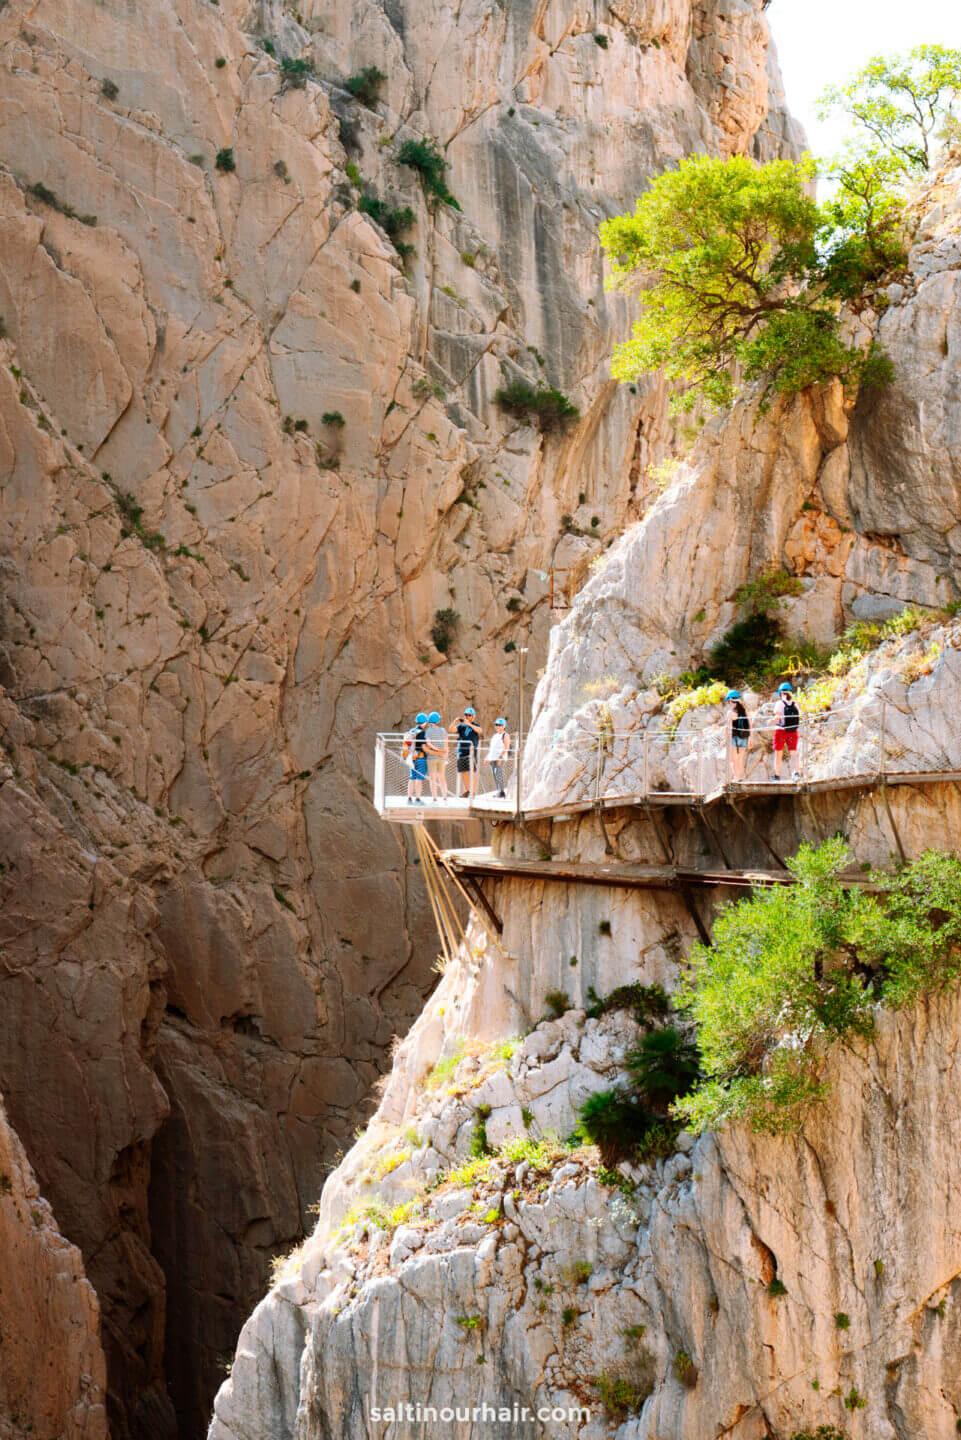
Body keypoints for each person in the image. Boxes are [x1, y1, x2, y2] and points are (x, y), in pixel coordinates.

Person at [449, 706, 482, 797]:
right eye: (466, 715)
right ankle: (468, 791)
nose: (467, 717)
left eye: (469, 715)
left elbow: (480, 731)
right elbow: (451, 729)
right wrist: (455, 722)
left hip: (471, 752)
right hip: (461, 751)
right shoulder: (461, 726)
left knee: (473, 771)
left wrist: (469, 724)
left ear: (473, 716)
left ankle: (473, 791)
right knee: (464, 771)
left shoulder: (476, 725)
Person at [773, 681, 801, 781]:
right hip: (793, 730)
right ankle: (796, 773)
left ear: (780, 693)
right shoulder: (795, 704)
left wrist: (770, 720)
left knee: (778, 753)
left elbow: (778, 715)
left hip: (781, 730)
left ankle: (777, 775)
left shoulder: (779, 703)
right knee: (793, 752)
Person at [402, 712, 429, 803]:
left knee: (412, 778)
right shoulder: (423, 733)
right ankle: (417, 798)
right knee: (419, 779)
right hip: (420, 758)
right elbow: (423, 746)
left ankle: (409, 798)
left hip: (411, 758)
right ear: (424, 722)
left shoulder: (412, 731)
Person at [725, 690, 751, 782]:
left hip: (734, 737)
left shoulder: (730, 713)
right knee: (740, 759)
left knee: (733, 760)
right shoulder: (744, 711)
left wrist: (724, 739)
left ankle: (736, 777)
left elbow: (728, 727)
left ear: (730, 701)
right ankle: (739, 777)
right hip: (744, 737)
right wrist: (751, 739)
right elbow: (750, 725)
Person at [425, 710, 448, 800]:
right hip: (441, 757)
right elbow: (446, 744)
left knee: (433, 778)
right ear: (438, 721)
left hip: (431, 757)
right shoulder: (443, 730)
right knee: (442, 777)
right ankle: (445, 796)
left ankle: (434, 797)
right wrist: (446, 755)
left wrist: (435, 749)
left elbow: (428, 743)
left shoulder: (428, 731)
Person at [487, 717, 511, 798]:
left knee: (498, 773)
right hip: (492, 757)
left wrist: (501, 758)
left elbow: (506, 747)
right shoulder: (495, 735)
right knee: (495, 774)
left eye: (500, 725)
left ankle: (501, 792)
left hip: (499, 757)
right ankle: (498, 791)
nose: (498, 726)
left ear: (504, 726)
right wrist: (487, 758)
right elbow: (492, 748)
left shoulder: (505, 735)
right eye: (496, 725)